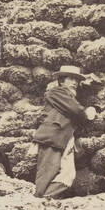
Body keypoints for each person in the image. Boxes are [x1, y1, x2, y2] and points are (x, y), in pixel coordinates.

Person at [33, 65, 94, 198]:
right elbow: (76, 110)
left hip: (64, 140)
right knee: (48, 173)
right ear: (61, 81)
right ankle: (38, 201)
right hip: (52, 138)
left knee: (68, 176)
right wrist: (87, 113)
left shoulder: (69, 97)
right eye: (71, 79)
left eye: (77, 80)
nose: (74, 83)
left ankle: (44, 198)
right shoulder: (56, 93)